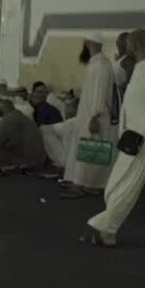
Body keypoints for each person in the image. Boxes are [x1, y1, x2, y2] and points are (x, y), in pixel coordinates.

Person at [83, 28, 145, 247]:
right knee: (123, 184)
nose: (123, 48)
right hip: (136, 139)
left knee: (123, 185)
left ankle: (104, 227)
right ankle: (105, 228)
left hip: (144, 142)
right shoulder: (143, 69)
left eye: (125, 44)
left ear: (133, 46)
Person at [58, 33, 119, 198]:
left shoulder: (100, 66)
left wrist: (95, 116)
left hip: (95, 117)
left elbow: (99, 94)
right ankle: (91, 184)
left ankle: (80, 185)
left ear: (88, 43)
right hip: (93, 116)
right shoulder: (100, 63)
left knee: (88, 150)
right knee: (92, 151)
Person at [0, 93, 46, 169]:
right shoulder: (20, 116)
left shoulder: (9, 118)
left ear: (3, 108)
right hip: (38, 157)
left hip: (26, 160)